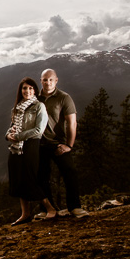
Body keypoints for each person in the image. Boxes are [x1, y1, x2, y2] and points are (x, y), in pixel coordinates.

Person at [6, 77, 60, 225]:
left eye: (30, 88)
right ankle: (25, 214)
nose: (27, 91)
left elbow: (38, 130)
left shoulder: (39, 106)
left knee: (30, 178)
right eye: (24, 88)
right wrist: (8, 135)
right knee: (17, 179)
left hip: (31, 145)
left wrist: (17, 136)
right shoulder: (16, 108)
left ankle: (50, 209)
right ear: (20, 90)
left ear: (35, 90)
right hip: (16, 147)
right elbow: (11, 127)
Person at [36, 69, 88, 219]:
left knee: (70, 172)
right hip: (39, 144)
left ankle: (75, 207)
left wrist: (69, 145)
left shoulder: (64, 97)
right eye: (45, 79)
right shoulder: (35, 98)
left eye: (50, 79)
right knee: (41, 177)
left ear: (56, 80)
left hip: (58, 144)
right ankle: (47, 210)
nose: (48, 82)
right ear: (41, 80)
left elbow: (72, 123)